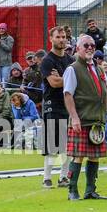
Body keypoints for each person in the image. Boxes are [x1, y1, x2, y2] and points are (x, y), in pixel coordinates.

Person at [60, 34, 107, 200]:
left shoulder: (99, 69)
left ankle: (90, 190)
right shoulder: (73, 69)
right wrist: (74, 117)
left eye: (92, 45)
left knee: (94, 156)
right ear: (78, 48)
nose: (90, 48)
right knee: (78, 155)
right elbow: (68, 95)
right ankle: (72, 190)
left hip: (97, 120)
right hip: (82, 119)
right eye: (86, 45)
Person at [40, 26, 74, 189]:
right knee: (52, 144)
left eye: (63, 37)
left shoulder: (70, 60)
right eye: (58, 37)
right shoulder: (47, 60)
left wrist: (63, 78)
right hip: (52, 105)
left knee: (67, 144)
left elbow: (76, 80)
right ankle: (46, 178)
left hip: (69, 106)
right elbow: (54, 83)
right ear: (51, 39)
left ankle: (63, 177)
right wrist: (68, 79)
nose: (61, 39)